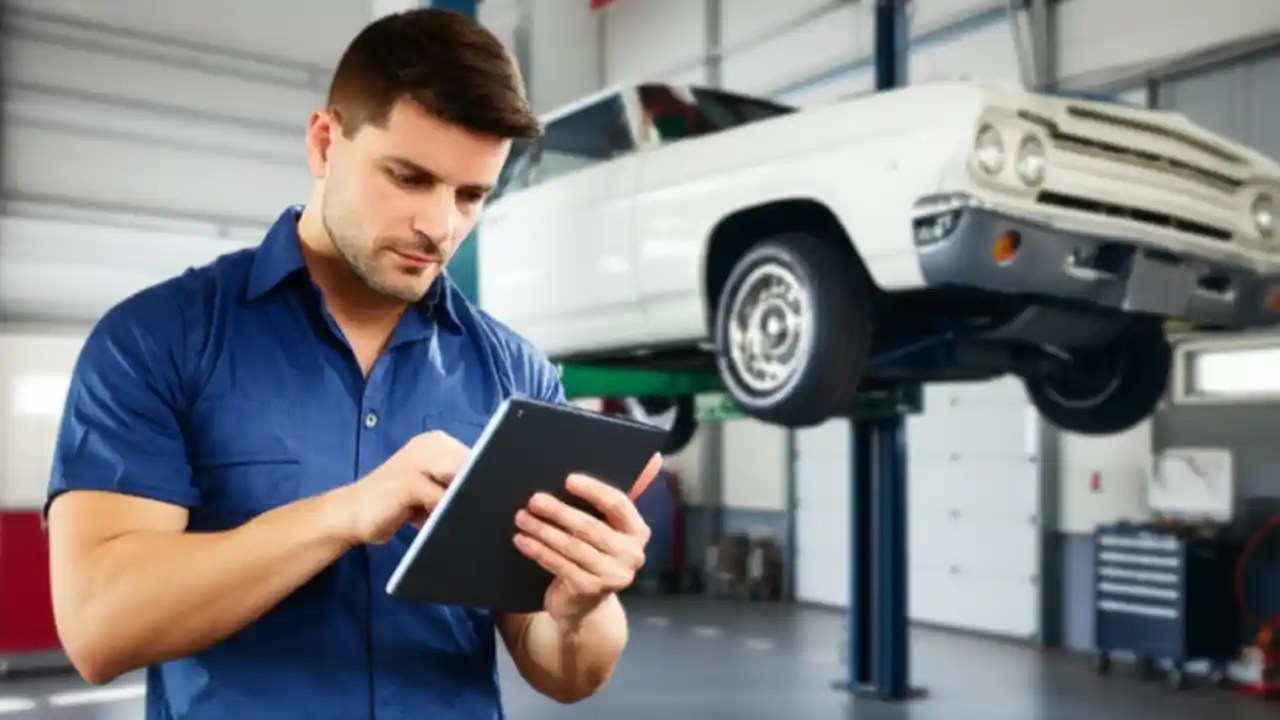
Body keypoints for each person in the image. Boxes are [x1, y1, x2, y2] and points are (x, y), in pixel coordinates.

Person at [43, 8, 660, 719]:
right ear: (323, 143)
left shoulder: (517, 376)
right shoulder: (157, 340)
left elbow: (562, 671)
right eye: (409, 177)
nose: (441, 226)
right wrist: (345, 514)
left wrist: (585, 606)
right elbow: (99, 628)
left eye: (471, 195)